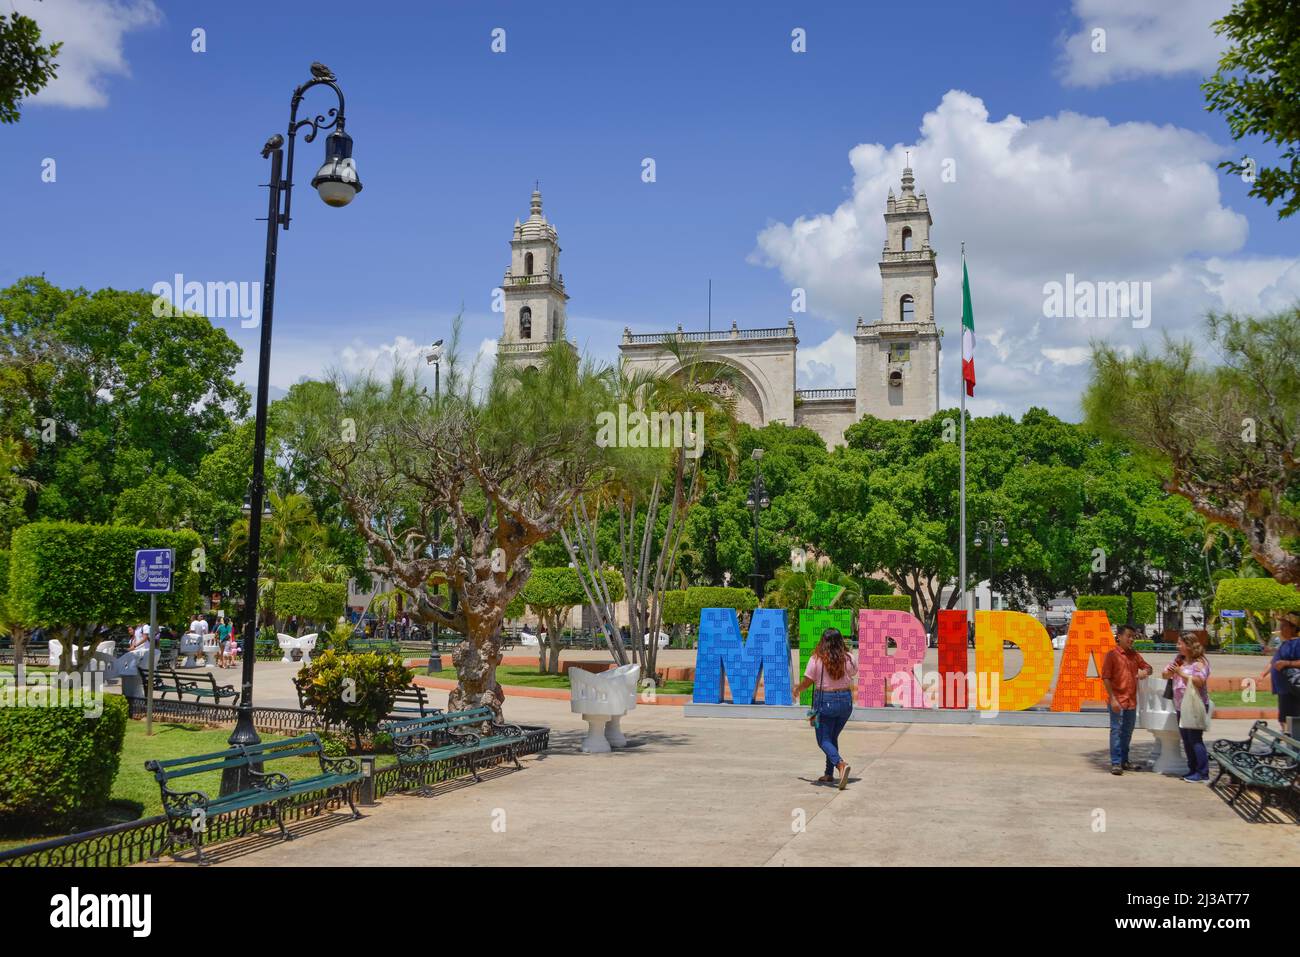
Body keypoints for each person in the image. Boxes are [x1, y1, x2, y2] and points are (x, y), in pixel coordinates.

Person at [791, 627, 856, 790]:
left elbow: (807, 682)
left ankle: (841, 764)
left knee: (823, 740)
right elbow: (853, 673)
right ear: (840, 641)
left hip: (824, 702)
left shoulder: (817, 659)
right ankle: (829, 773)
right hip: (846, 702)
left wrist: (798, 689)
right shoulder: (849, 658)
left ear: (823, 641)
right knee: (831, 737)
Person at [1101, 624, 1152, 775]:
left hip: (1131, 701)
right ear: (1119, 637)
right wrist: (1113, 699)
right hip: (1117, 700)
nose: (1131, 639)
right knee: (1116, 731)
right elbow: (1106, 677)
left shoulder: (1134, 655)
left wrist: (1145, 672)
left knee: (1127, 732)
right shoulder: (1112, 655)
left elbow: (1149, 667)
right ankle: (1116, 762)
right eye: (1128, 636)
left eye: (1133, 636)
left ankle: (1124, 760)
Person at [1163, 632, 1211, 782]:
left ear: (1189, 645)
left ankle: (1202, 772)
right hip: (1180, 706)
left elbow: (1199, 681)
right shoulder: (1178, 661)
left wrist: (1181, 673)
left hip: (1195, 705)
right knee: (1186, 739)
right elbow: (1165, 675)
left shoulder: (1200, 663)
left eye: (1180, 643)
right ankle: (1192, 769)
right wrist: (1169, 672)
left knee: (1195, 738)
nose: (1177, 646)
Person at [1258, 611, 1300, 731]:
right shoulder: (1287, 643)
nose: (1281, 629)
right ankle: (1289, 743)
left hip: (1292, 689)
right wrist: (1263, 674)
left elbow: (1283, 662)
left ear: (1293, 628)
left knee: (1290, 719)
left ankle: (1292, 745)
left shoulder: (1297, 643)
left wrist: (1287, 663)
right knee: (1283, 719)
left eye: (1284, 626)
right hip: (1284, 689)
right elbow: (1275, 661)